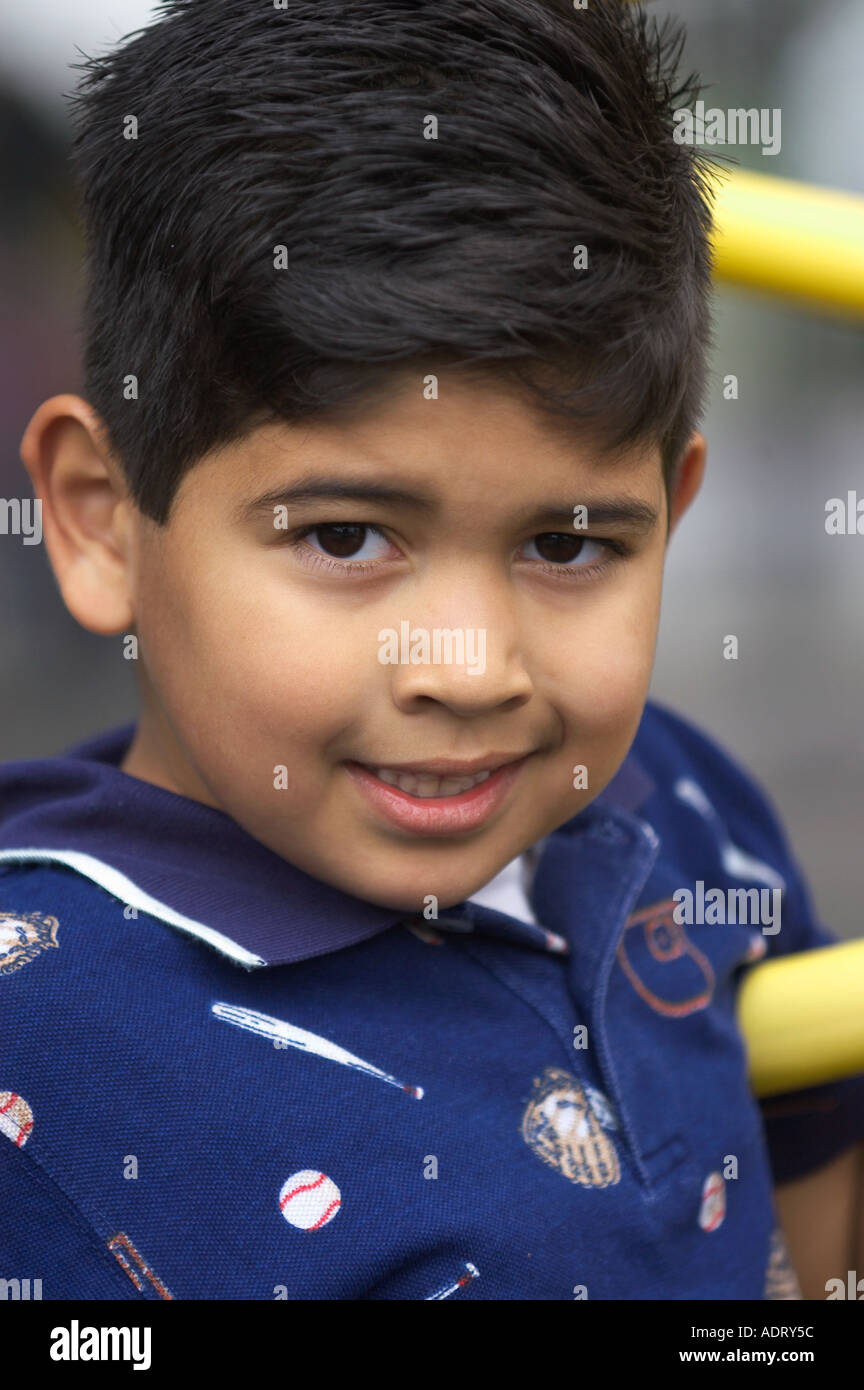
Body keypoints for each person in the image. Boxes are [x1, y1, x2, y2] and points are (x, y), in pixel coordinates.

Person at [2, 0, 861, 1300]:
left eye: (568, 547)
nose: (467, 665)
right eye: (347, 537)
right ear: (103, 520)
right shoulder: (42, 1040)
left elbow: (813, 1222)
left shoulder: (680, 810)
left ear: (670, 518)